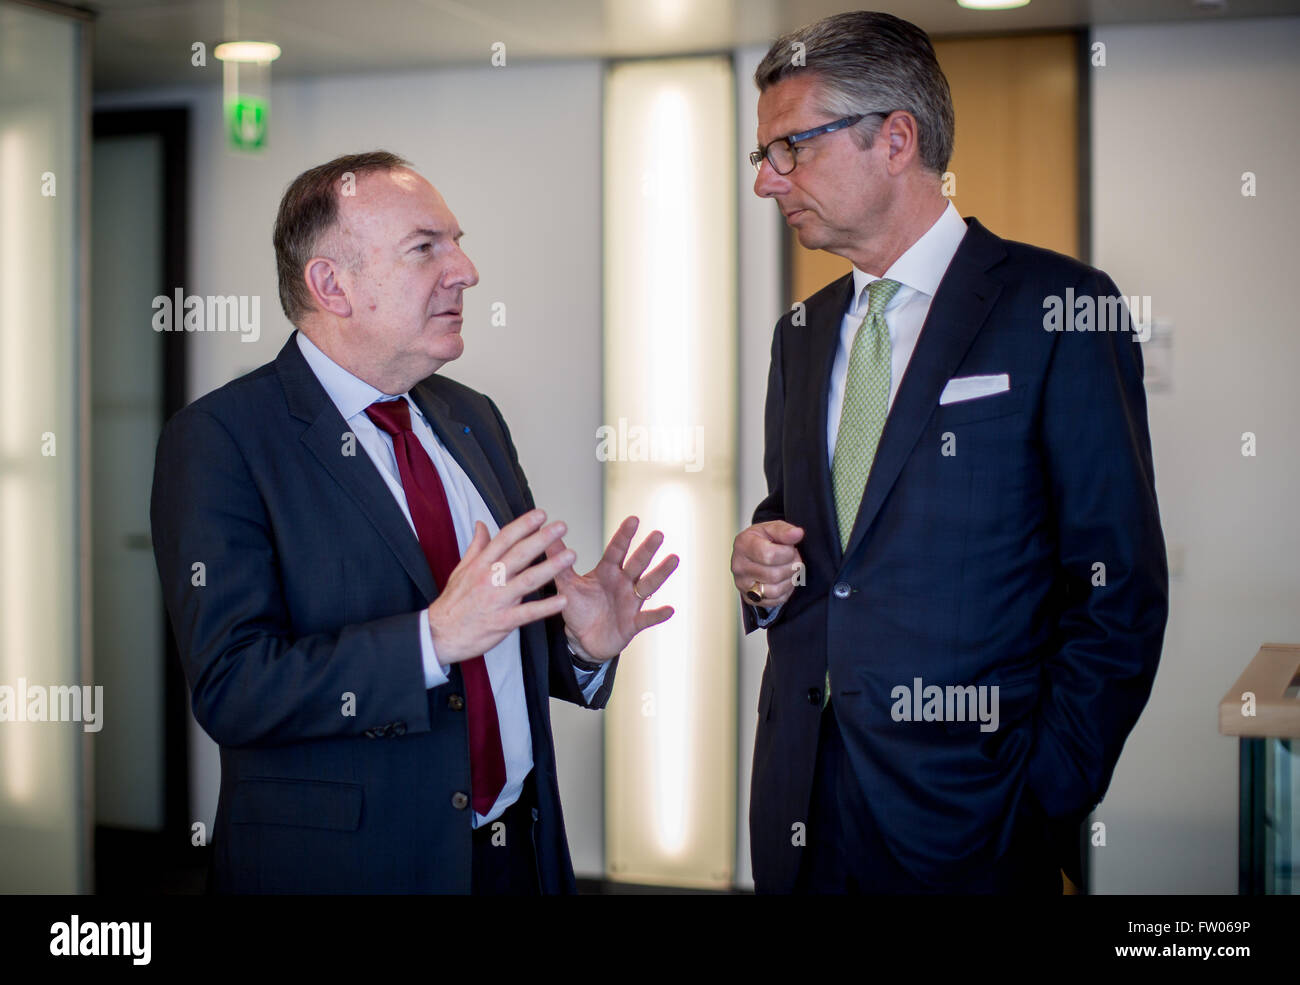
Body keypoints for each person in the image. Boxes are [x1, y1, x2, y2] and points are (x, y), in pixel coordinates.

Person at [151, 150, 678, 893]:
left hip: (517, 848)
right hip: (353, 869)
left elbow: (497, 636)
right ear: (332, 285)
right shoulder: (222, 440)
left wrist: (583, 648)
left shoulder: (472, 416)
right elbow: (234, 687)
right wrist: (430, 640)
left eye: (456, 243)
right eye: (426, 247)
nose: (465, 270)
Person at [732, 12, 1167, 893]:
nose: (767, 184)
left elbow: (1117, 589)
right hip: (801, 805)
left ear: (896, 140)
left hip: (975, 818)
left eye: (791, 149)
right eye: (761, 156)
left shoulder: (1060, 308)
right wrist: (758, 558)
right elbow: (809, 524)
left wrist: (1041, 794)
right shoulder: (802, 333)